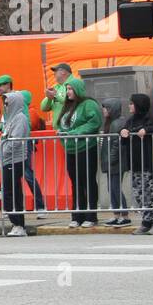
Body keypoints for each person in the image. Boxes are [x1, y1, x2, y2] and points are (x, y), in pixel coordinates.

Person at [120, 93, 153, 234]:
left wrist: (148, 129)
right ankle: (146, 221)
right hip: (136, 164)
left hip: (151, 163)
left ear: (139, 104)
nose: (129, 105)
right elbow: (124, 138)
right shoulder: (130, 121)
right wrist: (122, 132)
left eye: (132, 103)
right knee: (140, 194)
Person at [56, 76, 103, 227]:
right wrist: (62, 135)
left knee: (88, 181)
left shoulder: (89, 104)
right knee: (75, 183)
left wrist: (75, 133)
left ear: (78, 89)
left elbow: (94, 122)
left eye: (70, 89)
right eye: (67, 89)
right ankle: (77, 216)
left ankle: (91, 216)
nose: (68, 92)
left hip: (86, 148)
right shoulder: (67, 106)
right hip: (70, 149)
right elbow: (63, 125)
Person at [0, 90, 31, 236]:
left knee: (12, 192)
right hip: (7, 159)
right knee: (10, 191)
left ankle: (18, 223)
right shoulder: (9, 118)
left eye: (7, 103)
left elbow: (16, 140)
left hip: (13, 159)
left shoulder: (20, 118)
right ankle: (16, 223)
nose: (5, 106)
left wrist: (4, 151)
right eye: (4, 103)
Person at [100, 97, 130, 226]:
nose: (104, 110)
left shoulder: (116, 123)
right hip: (112, 161)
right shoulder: (112, 123)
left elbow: (115, 144)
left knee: (115, 188)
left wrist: (111, 159)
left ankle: (124, 215)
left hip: (116, 162)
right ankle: (117, 215)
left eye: (106, 108)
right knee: (111, 188)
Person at [41, 62, 73, 129]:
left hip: (70, 129)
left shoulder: (74, 84)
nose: (54, 74)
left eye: (56, 71)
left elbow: (71, 101)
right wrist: (49, 98)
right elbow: (43, 108)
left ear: (63, 72)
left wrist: (56, 96)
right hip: (58, 130)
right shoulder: (56, 87)